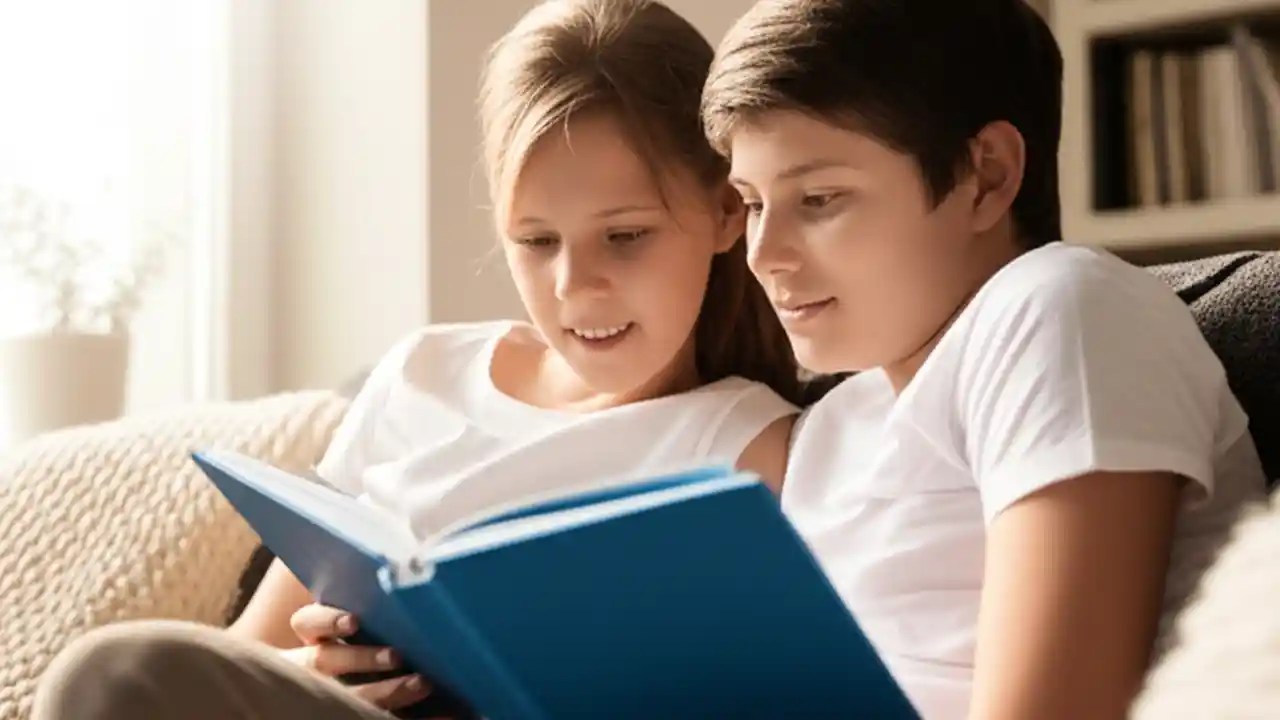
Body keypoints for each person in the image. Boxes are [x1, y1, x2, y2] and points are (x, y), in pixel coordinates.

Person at [32, 2, 802, 718]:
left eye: (625, 235)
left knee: (113, 673)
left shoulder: (751, 446)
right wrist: (309, 666)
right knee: (115, 673)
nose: (575, 286)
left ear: (726, 211)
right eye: (536, 242)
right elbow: (239, 654)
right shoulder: (423, 373)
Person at [699, 1, 1267, 719]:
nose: (763, 253)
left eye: (818, 199)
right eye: (751, 203)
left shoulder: (1060, 308)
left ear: (986, 176)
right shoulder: (829, 424)